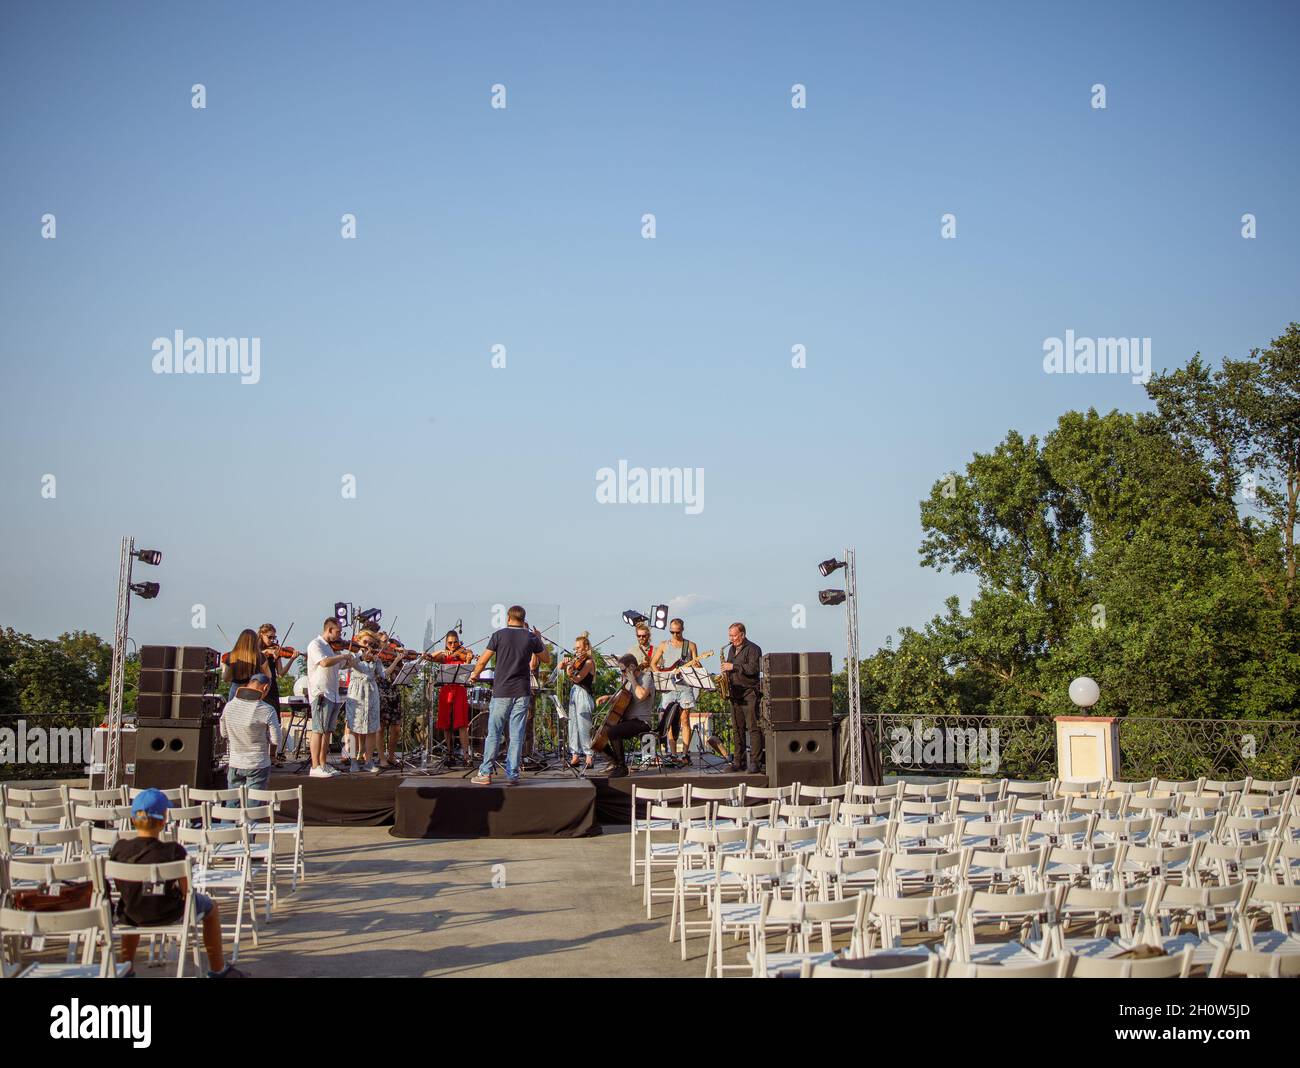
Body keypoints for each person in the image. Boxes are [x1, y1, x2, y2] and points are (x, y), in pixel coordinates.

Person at [108, 788, 245, 978]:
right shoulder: (174, 851)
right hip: (168, 914)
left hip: (131, 913)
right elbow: (187, 892)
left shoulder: (119, 848)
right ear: (164, 821)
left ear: (132, 819)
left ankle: (126, 966)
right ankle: (218, 968)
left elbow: (122, 886)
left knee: (131, 906)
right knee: (211, 907)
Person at [468, 606, 550, 785]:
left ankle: (485, 773)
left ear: (508, 618)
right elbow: (546, 658)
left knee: (494, 733)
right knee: (516, 734)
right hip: (522, 691)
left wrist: (474, 674)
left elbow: (483, 659)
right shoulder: (530, 637)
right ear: (523, 619)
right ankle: (512, 774)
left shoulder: (499, 635)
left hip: (502, 691)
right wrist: (539, 638)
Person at [305, 618, 357, 778]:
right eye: (338, 632)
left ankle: (323, 763)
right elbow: (324, 662)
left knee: (328, 731)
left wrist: (354, 658)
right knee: (318, 730)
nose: (340, 635)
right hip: (321, 692)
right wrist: (342, 656)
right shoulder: (316, 645)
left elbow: (340, 666)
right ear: (329, 630)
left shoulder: (332, 648)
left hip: (333, 693)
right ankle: (314, 766)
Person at [220, 672, 282, 798]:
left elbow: (223, 733)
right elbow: (276, 740)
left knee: (231, 806)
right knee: (253, 809)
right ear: (265, 688)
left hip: (234, 763)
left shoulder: (229, 706)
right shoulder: (267, 709)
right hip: (257, 763)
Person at [595, 653, 657, 778]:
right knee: (596, 731)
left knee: (613, 732)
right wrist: (608, 697)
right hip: (627, 720)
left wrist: (633, 680)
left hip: (641, 722)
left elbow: (641, 696)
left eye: (623, 670)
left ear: (632, 667)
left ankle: (622, 767)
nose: (622, 673)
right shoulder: (627, 681)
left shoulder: (646, 679)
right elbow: (622, 699)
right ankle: (615, 761)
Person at [652, 618, 700, 762]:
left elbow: (696, 665)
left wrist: (697, 665)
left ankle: (685, 753)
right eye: (672, 632)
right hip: (669, 687)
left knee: (685, 720)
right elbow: (653, 664)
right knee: (669, 721)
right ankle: (673, 753)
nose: (674, 635)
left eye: (677, 632)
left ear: (682, 630)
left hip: (685, 686)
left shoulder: (690, 645)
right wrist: (663, 676)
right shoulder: (663, 645)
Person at [721, 622, 763, 773]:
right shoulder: (732, 649)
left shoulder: (753, 649)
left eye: (734, 635)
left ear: (742, 635)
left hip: (749, 693)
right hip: (735, 694)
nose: (731, 639)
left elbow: (754, 669)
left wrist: (733, 667)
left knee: (753, 728)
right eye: (730, 636)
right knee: (737, 729)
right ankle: (739, 761)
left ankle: (755, 762)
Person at [429, 630, 475, 767]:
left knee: (461, 723)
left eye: (455, 642)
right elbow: (429, 657)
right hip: (446, 690)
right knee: (446, 723)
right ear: (446, 643)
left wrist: (467, 656)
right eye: (450, 643)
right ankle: (449, 752)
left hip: (460, 690)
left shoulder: (464, 652)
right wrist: (442, 652)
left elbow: (469, 657)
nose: (453, 645)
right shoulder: (444, 656)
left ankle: (466, 754)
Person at [344, 632, 385, 773]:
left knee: (371, 728)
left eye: (371, 644)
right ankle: (353, 761)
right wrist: (362, 656)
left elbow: (383, 674)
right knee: (354, 727)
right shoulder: (354, 655)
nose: (368, 646)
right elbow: (349, 664)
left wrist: (397, 660)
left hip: (372, 692)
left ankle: (368, 761)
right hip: (357, 692)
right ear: (359, 641)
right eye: (365, 642)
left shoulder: (375, 659)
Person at [560, 632, 596, 770]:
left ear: (586, 647)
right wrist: (566, 665)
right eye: (575, 648)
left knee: (584, 726)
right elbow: (563, 670)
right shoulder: (577, 661)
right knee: (573, 725)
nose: (576, 651)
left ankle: (589, 755)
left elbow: (578, 678)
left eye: (579, 648)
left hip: (583, 693)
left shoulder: (588, 662)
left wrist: (569, 670)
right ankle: (575, 754)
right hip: (574, 692)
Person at [221, 629, 271, 700]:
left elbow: (226, 678)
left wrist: (224, 665)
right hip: (253, 691)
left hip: (236, 690)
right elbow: (268, 678)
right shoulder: (261, 657)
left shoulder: (230, 656)